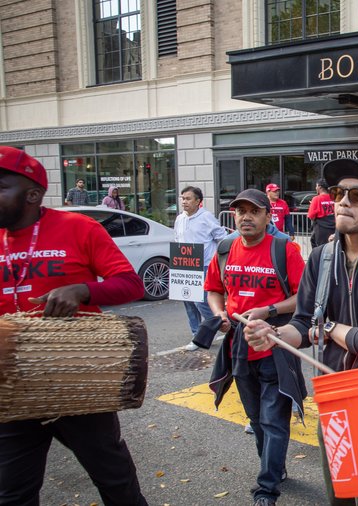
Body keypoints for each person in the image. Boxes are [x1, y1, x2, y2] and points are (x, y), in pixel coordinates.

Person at [244, 158, 358, 505]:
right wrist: (273, 334)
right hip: (335, 390)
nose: (342, 201)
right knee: (338, 491)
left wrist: (330, 327)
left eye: (356, 195)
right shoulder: (321, 257)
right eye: (339, 193)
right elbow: (303, 324)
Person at [0, 146, 148, 505]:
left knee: (115, 482)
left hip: (79, 376)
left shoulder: (79, 227)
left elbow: (131, 284)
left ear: (32, 194)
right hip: (13, 384)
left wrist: (82, 290)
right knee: (12, 495)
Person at [205, 189, 306, 506]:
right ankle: (275, 467)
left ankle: (266, 490)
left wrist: (269, 311)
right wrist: (219, 313)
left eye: (253, 211)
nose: (245, 217)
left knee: (274, 421)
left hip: (276, 345)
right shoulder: (224, 250)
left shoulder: (284, 250)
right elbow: (213, 290)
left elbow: (303, 297)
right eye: (239, 211)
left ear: (267, 216)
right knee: (256, 419)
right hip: (239, 348)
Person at [174, 186, 227, 351]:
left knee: (202, 302)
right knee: (188, 301)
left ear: (198, 201)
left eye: (188, 199)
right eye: (183, 198)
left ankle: (221, 326)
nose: (184, 202)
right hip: (184, 265)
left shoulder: (206, 217)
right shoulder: (179, 219)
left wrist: (219, 261)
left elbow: (221, 237)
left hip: (204, 265)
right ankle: (197, 334)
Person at [307, 178, 335, 248]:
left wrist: (313, 204)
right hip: (335, 227)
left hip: (321, 229)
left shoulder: (316, 199)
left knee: (320, 249)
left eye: (316, 186)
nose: (315, 188)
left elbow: (311, 216)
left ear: (319, 187)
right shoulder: (334, 197)